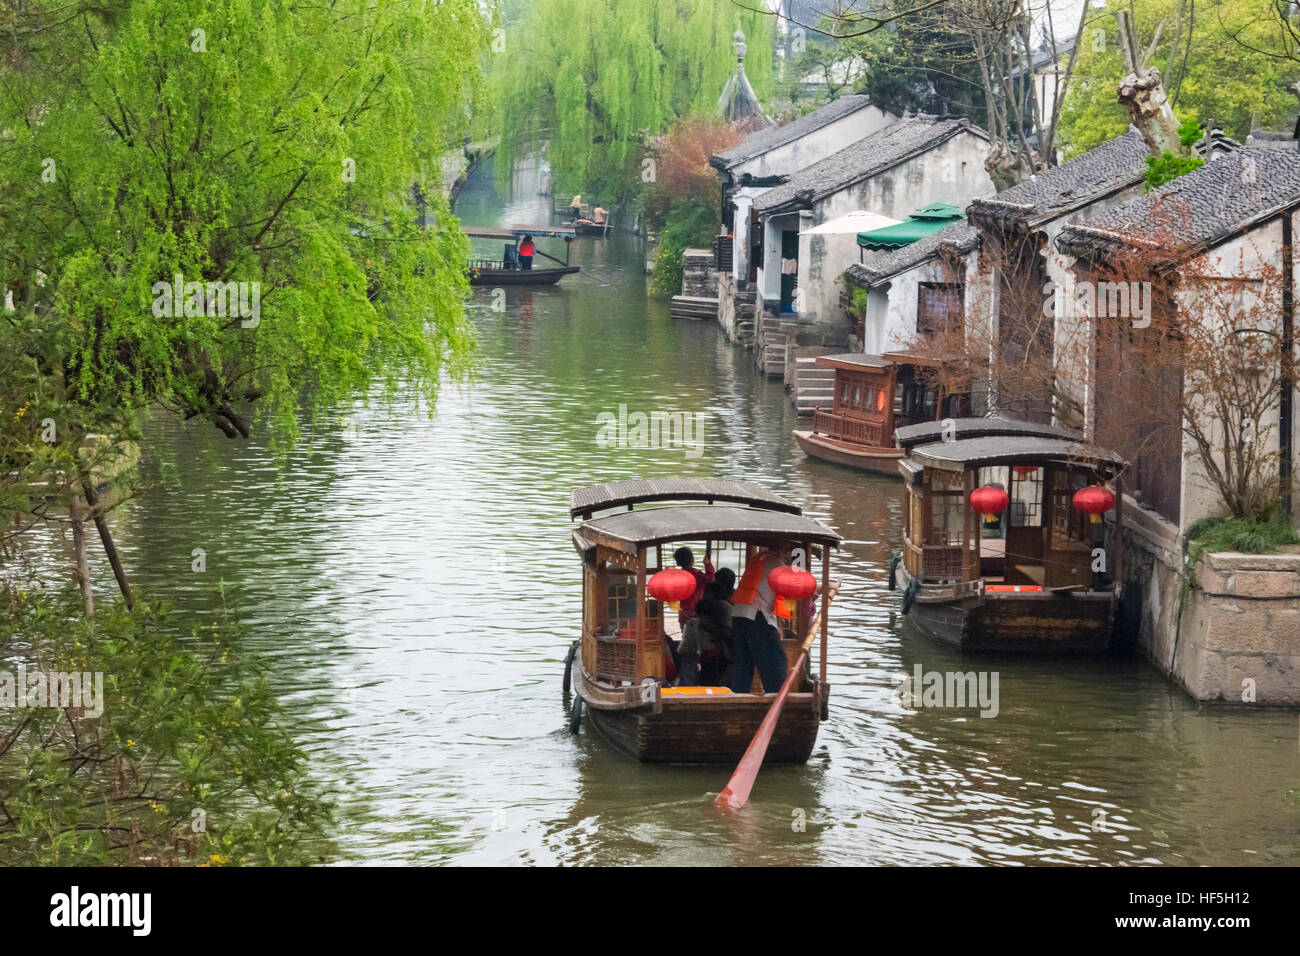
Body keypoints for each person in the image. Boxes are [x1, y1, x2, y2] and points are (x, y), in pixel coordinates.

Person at [724, 545, 790, 694]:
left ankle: (738, 699)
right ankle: (777, 702)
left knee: (743, 665)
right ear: (785, 550)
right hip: (757, 615)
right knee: (774, 663)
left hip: (739, 614)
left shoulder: (758, 558)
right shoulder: (777, 564)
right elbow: (790, 592)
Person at [673, 546, 714, 626]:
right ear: (692, 559)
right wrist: (708, 565)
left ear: (678, 562)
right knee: (697, 635)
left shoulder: (676, 576)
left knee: (686, 635)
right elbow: (710, 580)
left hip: (683, 614)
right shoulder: (696, 574)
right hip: (696, 612)